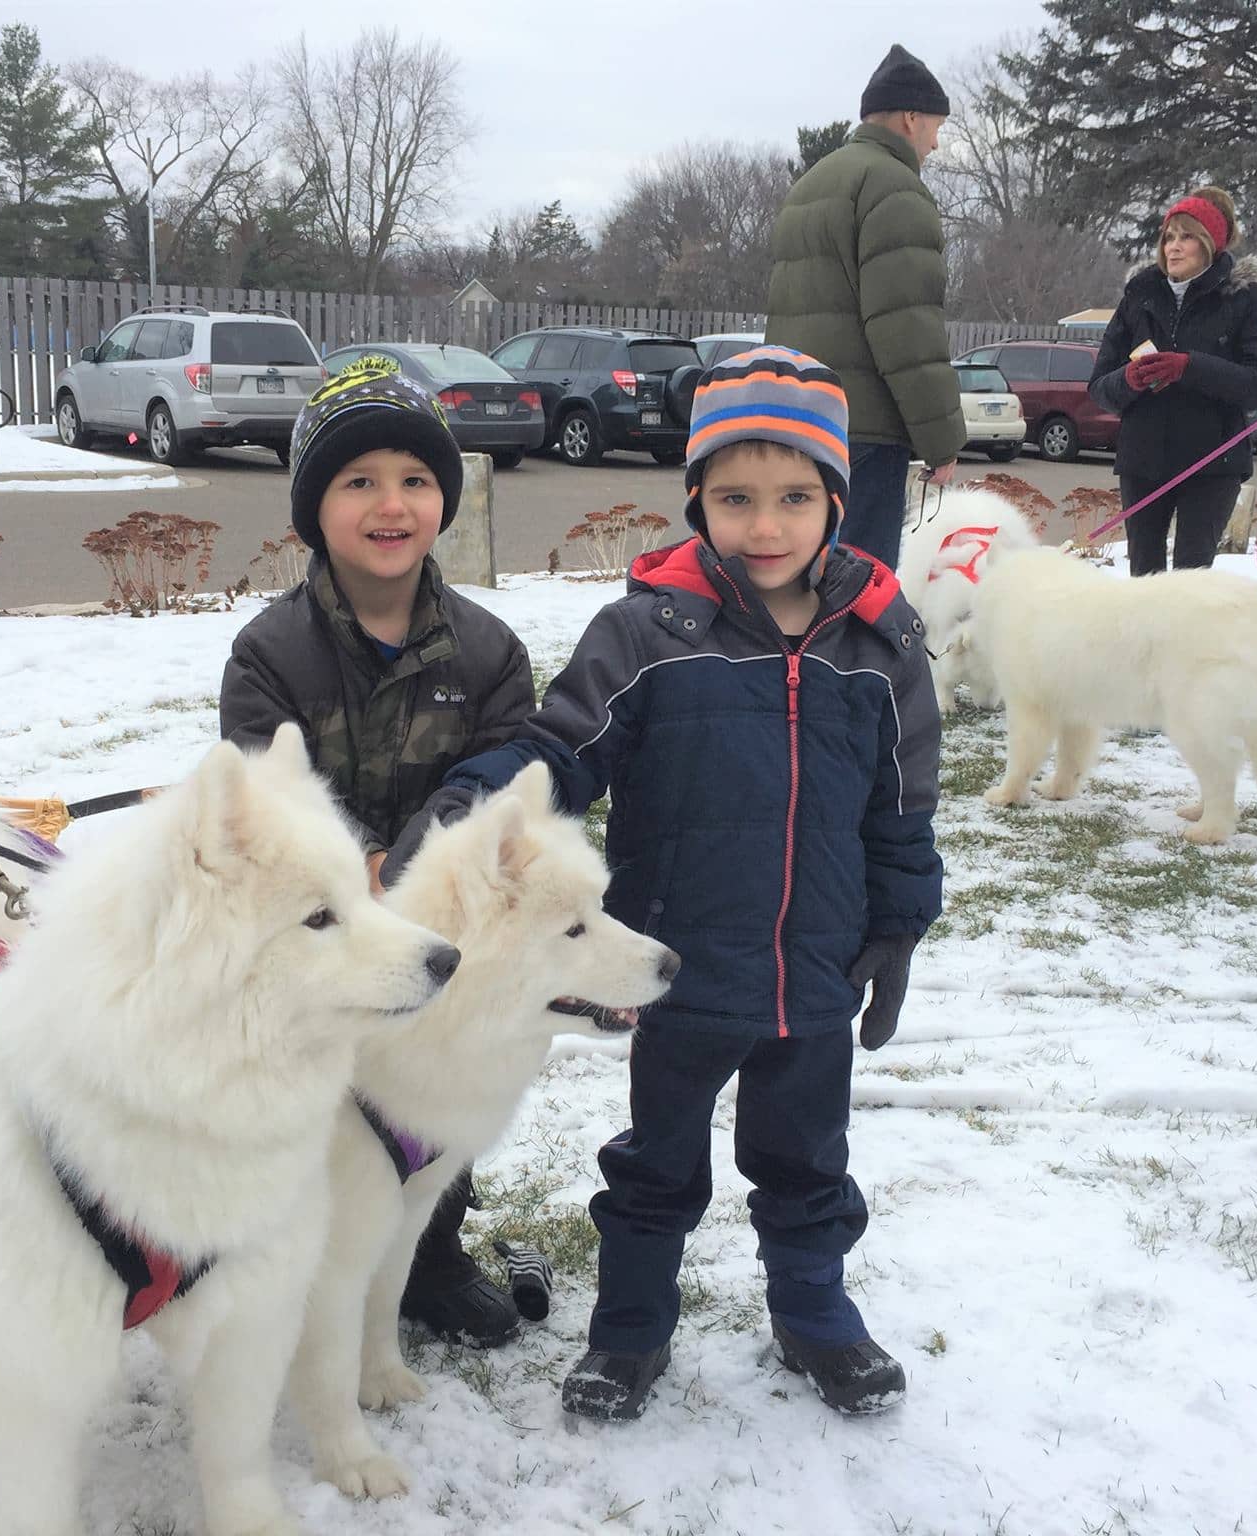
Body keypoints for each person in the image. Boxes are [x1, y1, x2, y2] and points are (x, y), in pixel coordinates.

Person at [386, 348, 943, 1421]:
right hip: (677, 965)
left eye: (794, 498)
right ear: (696, 501)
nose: (765, 527)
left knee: (806, 1162)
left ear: (836, 501)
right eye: (734, 500)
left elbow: (903, 807)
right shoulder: (648, 633)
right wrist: (470, 802)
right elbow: (560, 747)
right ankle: (630, 1331)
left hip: (816, 969)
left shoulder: (881, 647)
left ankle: (816, 1314)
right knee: (655, 1167)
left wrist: (899, 924)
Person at [218, 353, 536, 1346]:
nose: (390, 505)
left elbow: (495, 797)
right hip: (315, 924)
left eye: (414, 480)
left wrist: (413, 876)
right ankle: (282, 1244)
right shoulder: (269, 655)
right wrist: (359, 867)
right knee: (312, 1094)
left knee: (442, 1073)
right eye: (358, 481)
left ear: (443, 499)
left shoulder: (490, 654)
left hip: (441, 924)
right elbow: (270, 796)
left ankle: (428, 1254)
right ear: (313, 510)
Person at [764, 45, 967, 568]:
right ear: (911, 118)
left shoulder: (810, 184)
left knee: (798, 574)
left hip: (795, 420)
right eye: (936, 127)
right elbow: (906, 329)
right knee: (859, 585)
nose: (935, 143)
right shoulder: (896, 189)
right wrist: (941, 441)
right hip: (864, 433)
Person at [1088, 186, 1257, 575]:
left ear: (1209, 244)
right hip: (1143, 460)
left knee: (1191, 582)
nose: (1173, 247)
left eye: (1186, 237)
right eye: (1168, 237)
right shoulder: (1140, 293)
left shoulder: (1244, 297)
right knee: (1145, 579)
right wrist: (1129, 379)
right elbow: (1099, 387)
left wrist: (1189, 367)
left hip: (1211, 464)